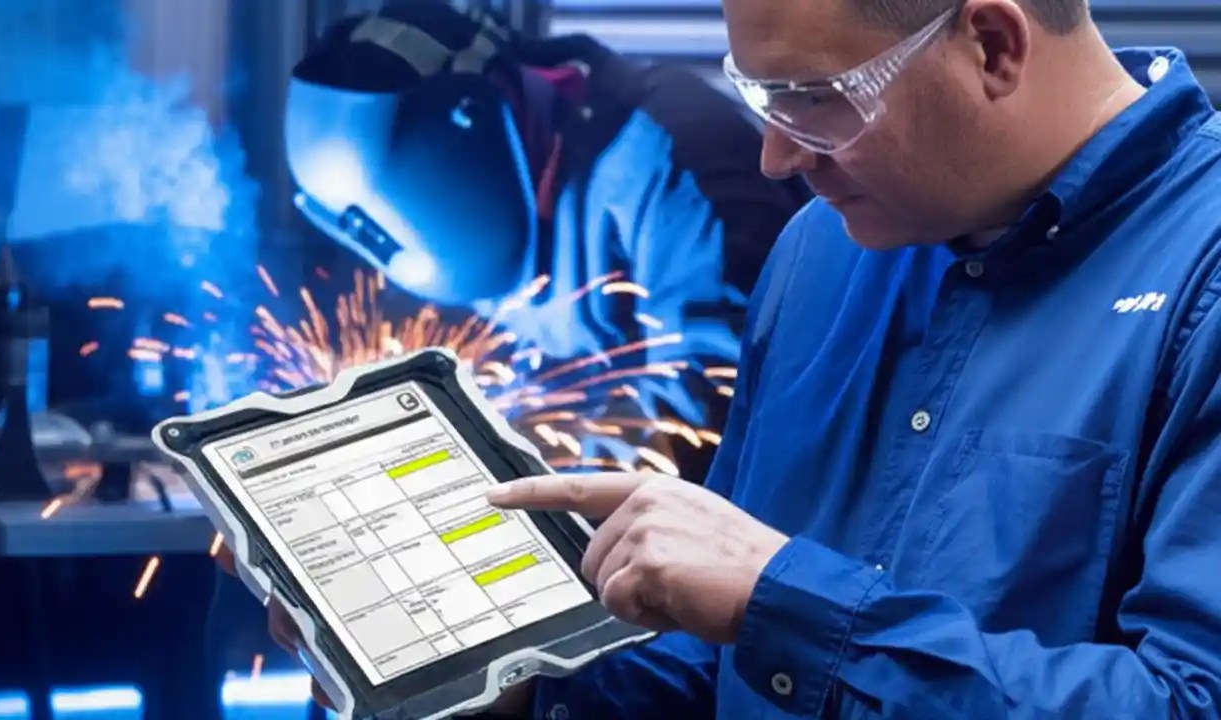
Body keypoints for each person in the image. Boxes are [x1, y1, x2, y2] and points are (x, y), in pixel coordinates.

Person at [228, 0, 1221, 716]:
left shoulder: (1200, 282)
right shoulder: (819, 254)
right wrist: (508, 685)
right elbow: (733, 670)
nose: (774, 162)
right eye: (758, 97)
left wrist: (786, 600)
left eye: (813, 100)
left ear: (992, 44)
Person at [284, 3, 811, 481]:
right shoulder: (453, 213)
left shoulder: (679, 163)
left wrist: (526, 471)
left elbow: (721, 412)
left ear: (467, 128)